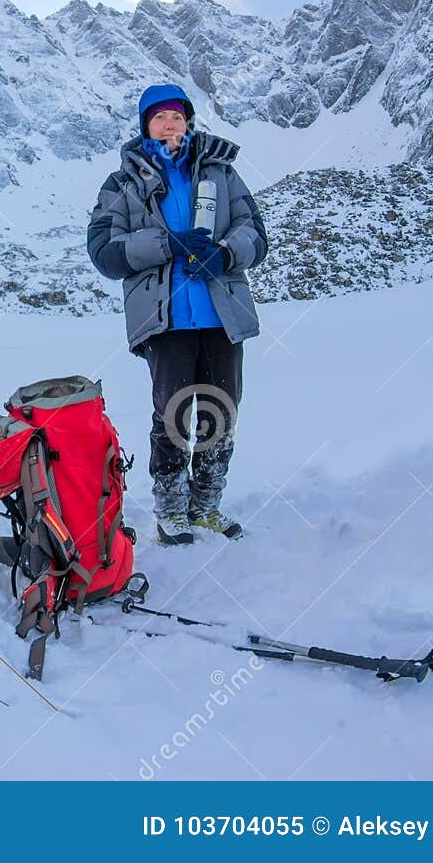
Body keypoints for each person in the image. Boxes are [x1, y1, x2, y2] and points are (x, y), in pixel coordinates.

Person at [85, 83, 269, 545]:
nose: (169, 125)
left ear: (189, 121)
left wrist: (226, 256)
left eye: (177, 116)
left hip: (221, 315)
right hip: (165, 320)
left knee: (221, 412)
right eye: (159, 117)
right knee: (171, 414)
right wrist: (167, 244)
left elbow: (255, 231)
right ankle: (171, 510)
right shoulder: (123, 184)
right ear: (145, 126)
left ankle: (206, 505)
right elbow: (104, 250)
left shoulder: (220, 173)